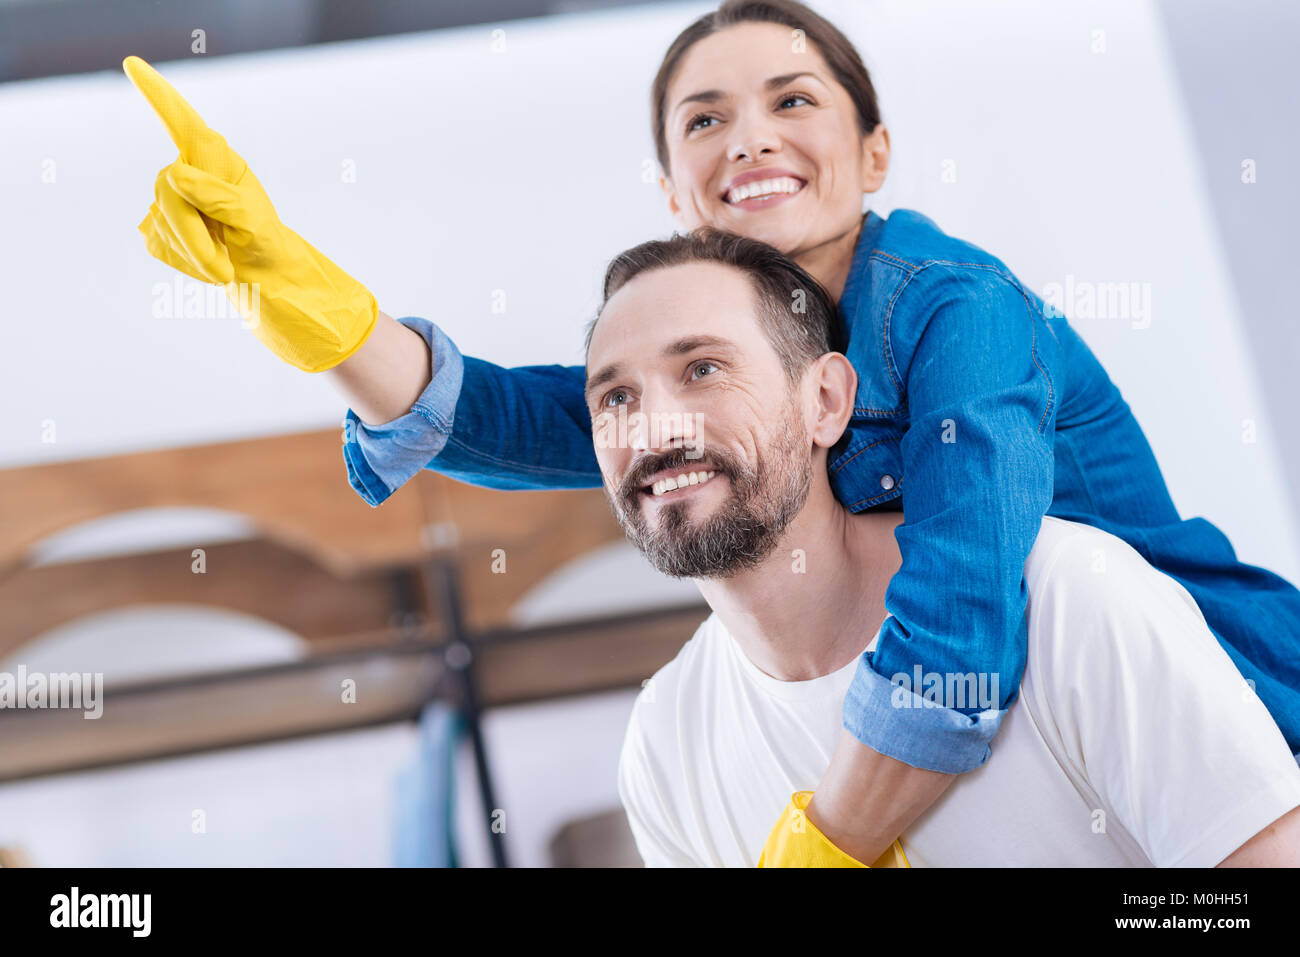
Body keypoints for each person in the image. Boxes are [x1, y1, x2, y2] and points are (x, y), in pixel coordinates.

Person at [121, 0, 1300, 866]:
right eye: (705, 119)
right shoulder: (733, 401)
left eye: (793, 100)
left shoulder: (960, 312)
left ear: (874, 154)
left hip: (1218, 710)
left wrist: (826, 844)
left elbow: (964, 614)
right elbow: (533, 415)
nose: (749, 138)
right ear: (672, 192)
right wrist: (317, 310)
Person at [589, 228, 1300, 867]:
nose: (652, 431)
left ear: (827, 401)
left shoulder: (1071, 596)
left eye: (704, 369)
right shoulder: (664, 747)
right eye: (615, 397)